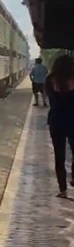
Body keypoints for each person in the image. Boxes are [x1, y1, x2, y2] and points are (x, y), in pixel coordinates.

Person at [44, 54, 74, 197]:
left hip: (56, 121)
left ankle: (63, 190)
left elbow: (48, 97)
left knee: (59, 155)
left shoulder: (49, 80)